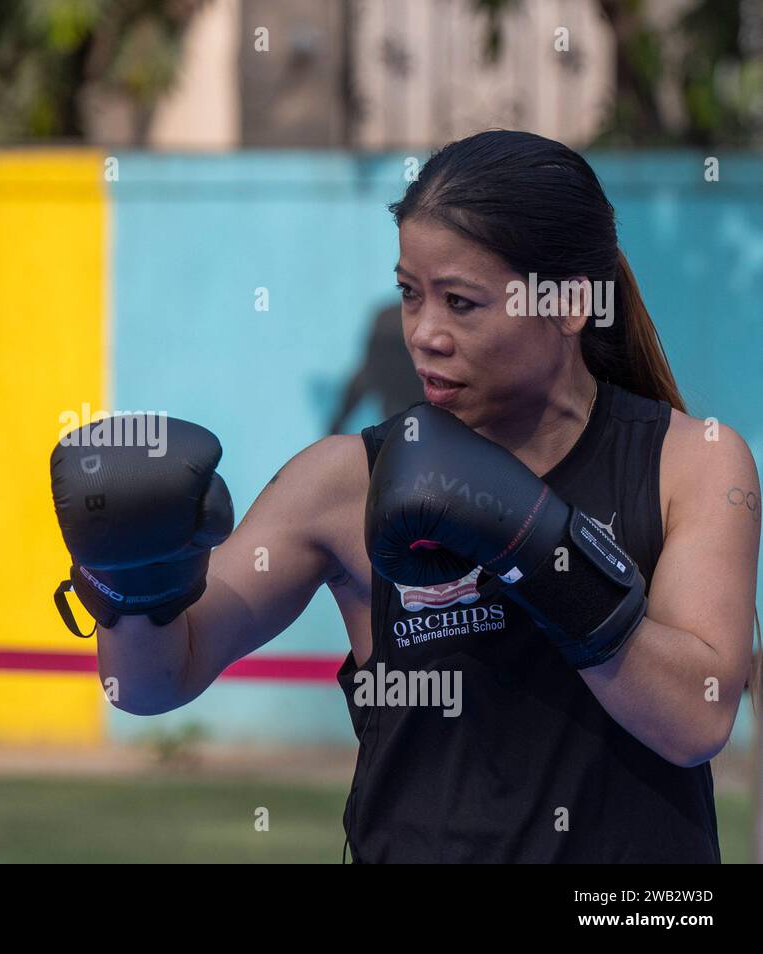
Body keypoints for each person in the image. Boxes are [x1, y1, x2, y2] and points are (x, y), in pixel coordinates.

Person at [50, 131, 761, 863]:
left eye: (461, 302)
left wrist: (533, 544)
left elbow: (698, 719)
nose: (424, 334)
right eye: (409, 294)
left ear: (571, 302)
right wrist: (134, 580)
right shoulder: (342, 484)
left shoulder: (691, 463)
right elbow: (149, 684)